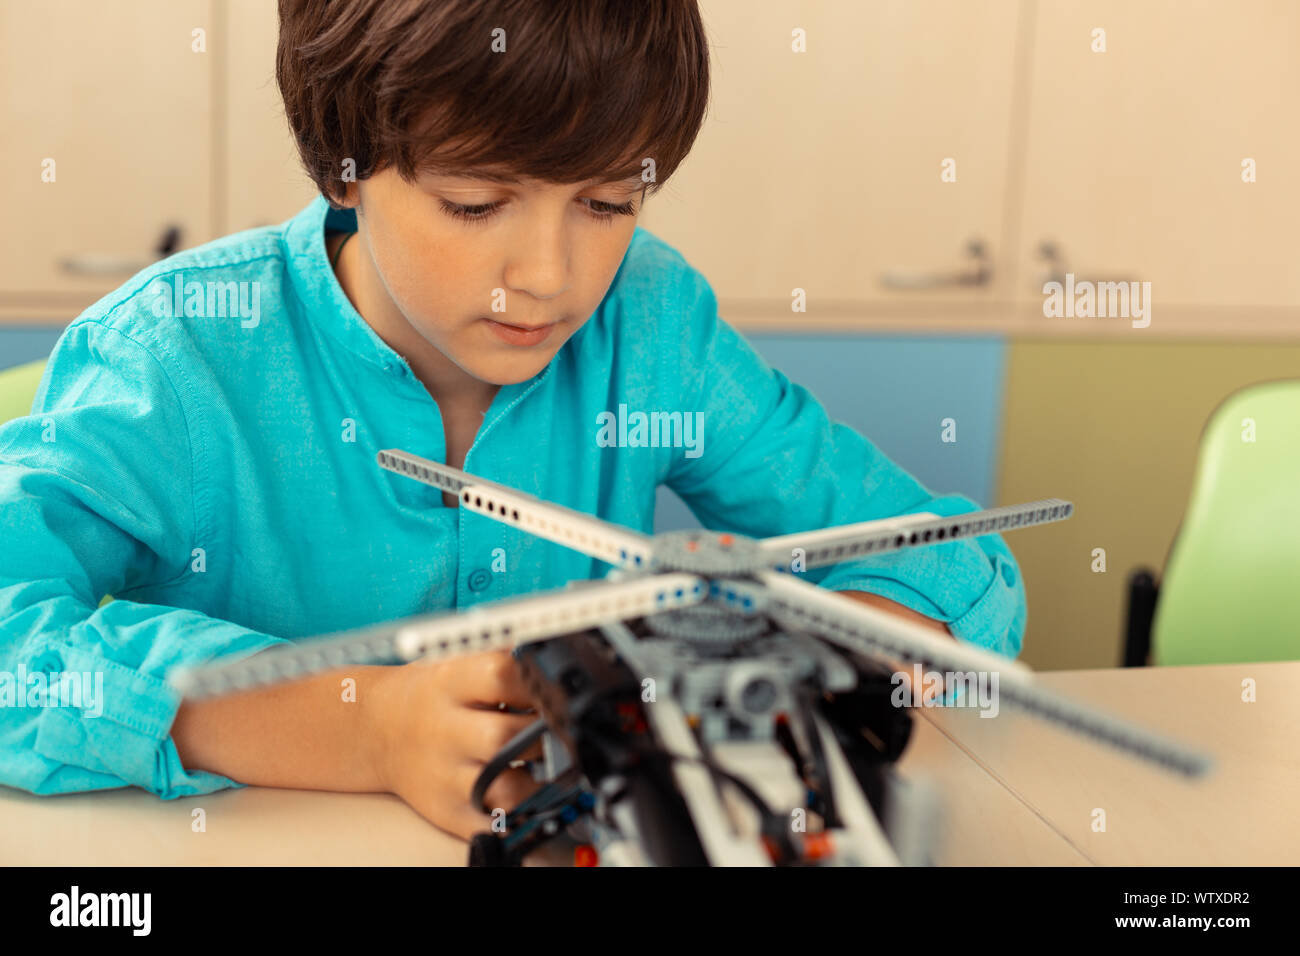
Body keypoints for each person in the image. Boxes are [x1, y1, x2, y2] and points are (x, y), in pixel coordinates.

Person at [0, 0, 1026, 842]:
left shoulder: (651, 325)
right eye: (476, 202)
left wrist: (811, 650)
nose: (549, 276)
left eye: (608, 203)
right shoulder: (176, 352)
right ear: (344, 167)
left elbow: (943, 558)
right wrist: (364, 728)